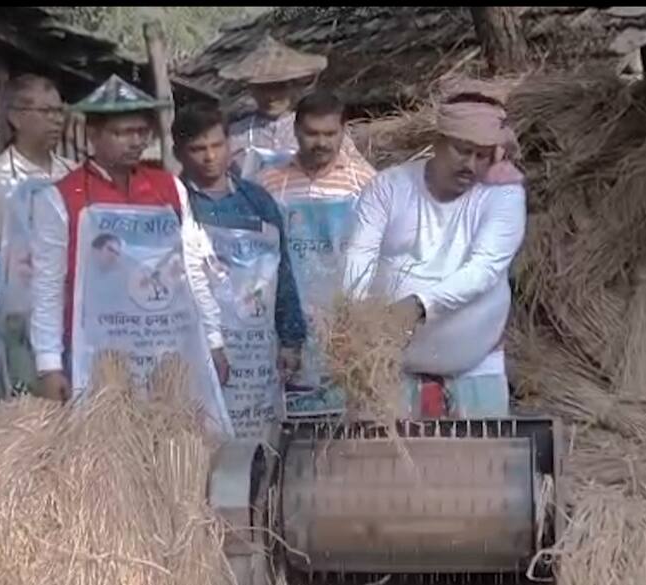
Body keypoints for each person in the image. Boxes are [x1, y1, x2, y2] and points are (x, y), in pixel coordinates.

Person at [28, 75, 227, 406]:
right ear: (93, 135)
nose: (135, 141)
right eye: (122, 132)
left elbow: (193, 267)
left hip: (166, 346)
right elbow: (47, 287)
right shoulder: (60, 197)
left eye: (141, 132)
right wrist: (48, 365)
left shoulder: (169, 189)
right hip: (97, 353)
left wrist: (213, 339)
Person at [342, 89, 527, 419]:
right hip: (388, 366)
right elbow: (360, 253)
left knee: (476, 465)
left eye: (483, 156)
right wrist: (358, 319)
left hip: (474, 364)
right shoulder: (389, 187)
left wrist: (418, 306)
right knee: (382, 465)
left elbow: (483, 270)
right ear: (438, 141)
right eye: (463, 150)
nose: (470, 165)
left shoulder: (503, 196)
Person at [172, 101, 307, 440]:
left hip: (256, 348)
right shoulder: (174, 204)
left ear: (229, 145)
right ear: (178, 152)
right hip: (198, 349)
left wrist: (291, 339)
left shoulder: (258, 201)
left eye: (217, 145)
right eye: (197, 149)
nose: (209, 157)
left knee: (258, 444)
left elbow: (283, 271)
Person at [256, 90, 376, 416]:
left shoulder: (365, 183)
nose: (321, 142)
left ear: (343, 132)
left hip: (342, 318)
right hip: (285, 317)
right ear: (295, 131)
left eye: (330, 134)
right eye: (312, 133)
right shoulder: (268, 182)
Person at [0, 74, 76, 397]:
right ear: (15, 117)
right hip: (21, 325)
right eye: (45, 111)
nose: (56, 120)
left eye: (59, 111)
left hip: (73, 313)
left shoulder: (72, 174)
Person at [219, 35, 368, 179]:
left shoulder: (318, 128)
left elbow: (362, 174)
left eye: (279, 87)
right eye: (263, 88)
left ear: (293, 87)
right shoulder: (236, 135)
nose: (271, 96)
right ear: (250, 88)